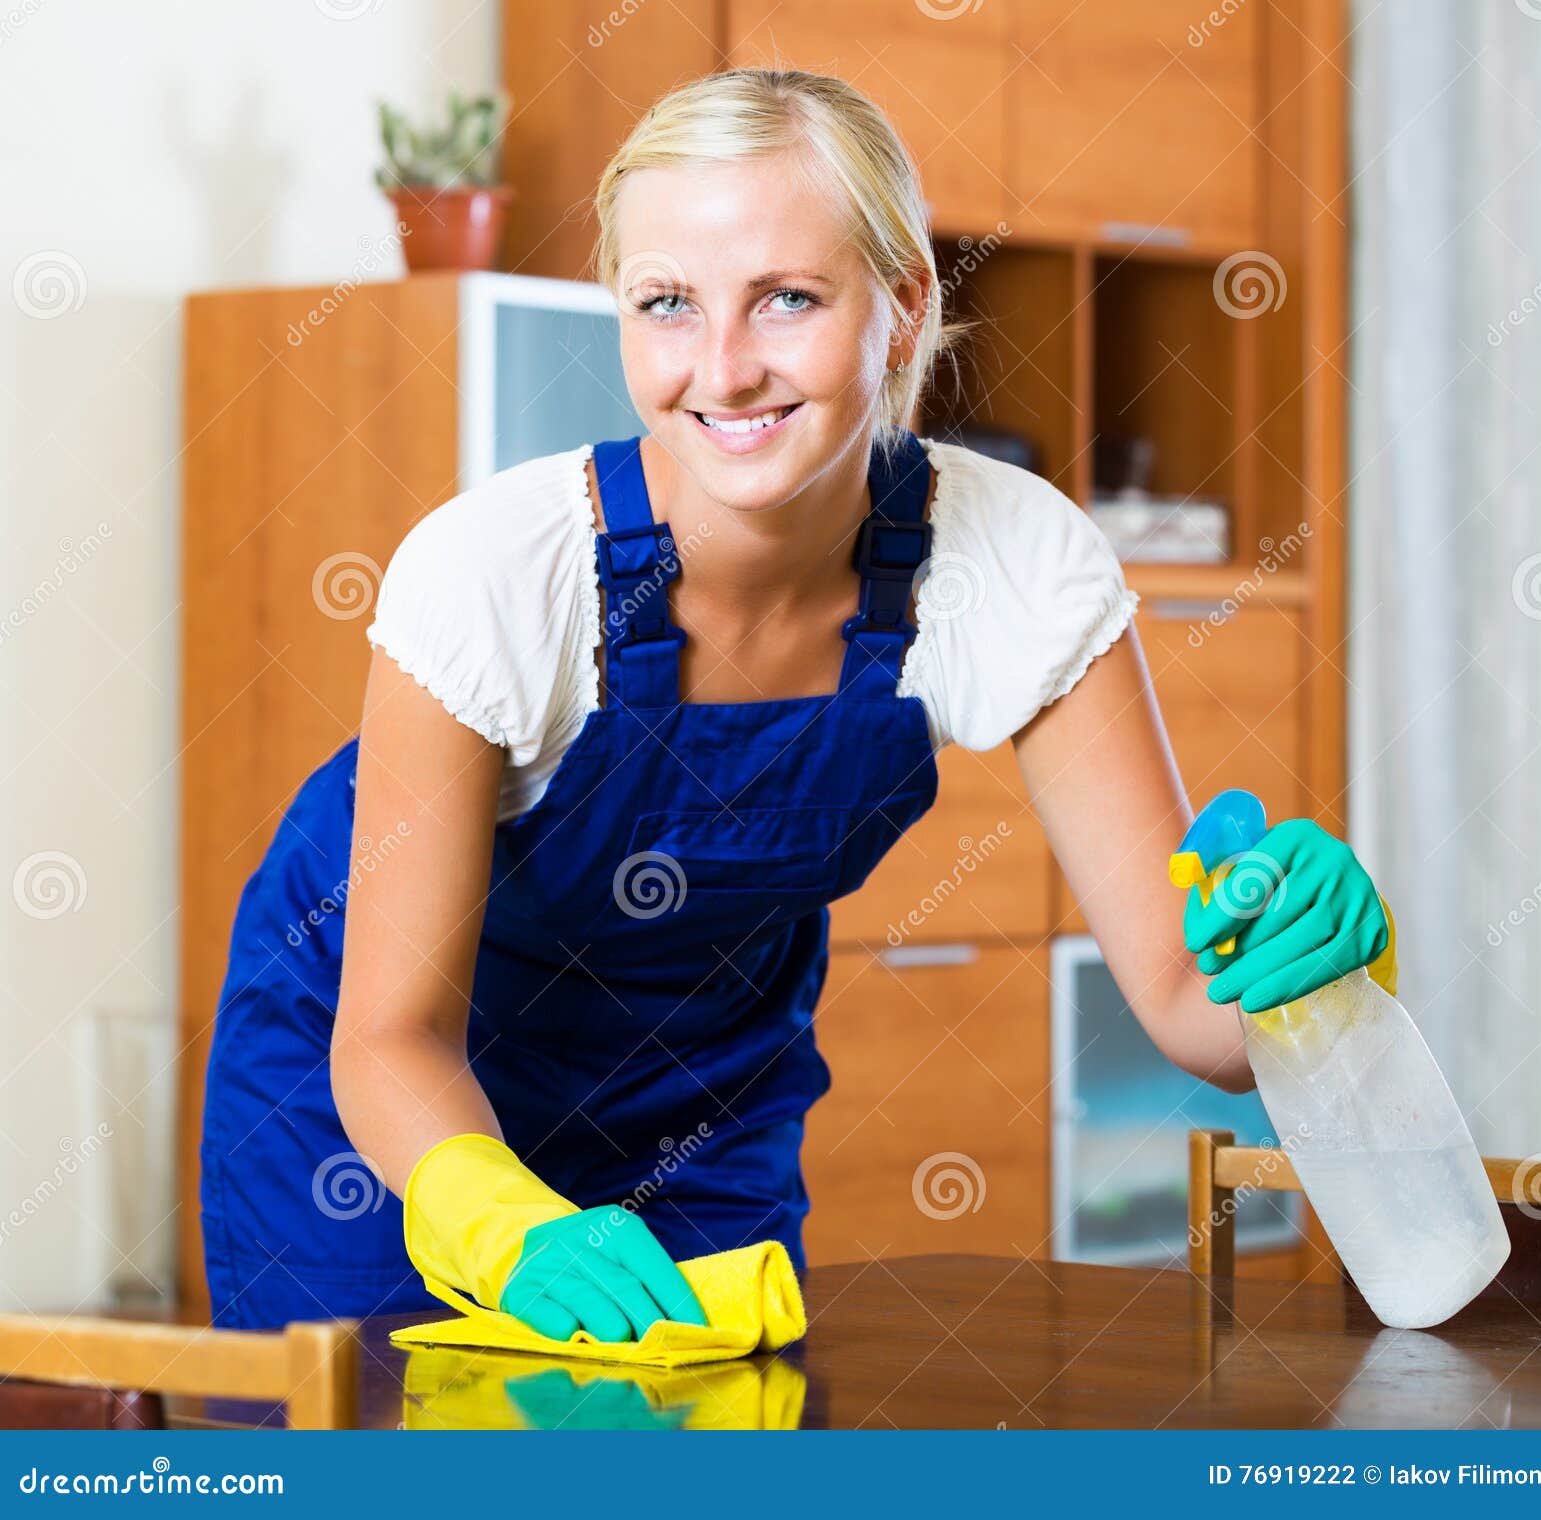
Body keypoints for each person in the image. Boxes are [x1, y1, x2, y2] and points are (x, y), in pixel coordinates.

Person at [199, 67, 1394, 1335]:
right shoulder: (496, 573)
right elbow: (390, 1036)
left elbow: (1192, 1016)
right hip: (383, 1110)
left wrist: (1310, 961)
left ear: (904, 305)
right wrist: (505, 1226)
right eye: (667, 302)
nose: (723, 370)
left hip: (703, 1096)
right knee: (418, 1430)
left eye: (786, 298)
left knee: (725, 1426)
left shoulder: (1010, 560)